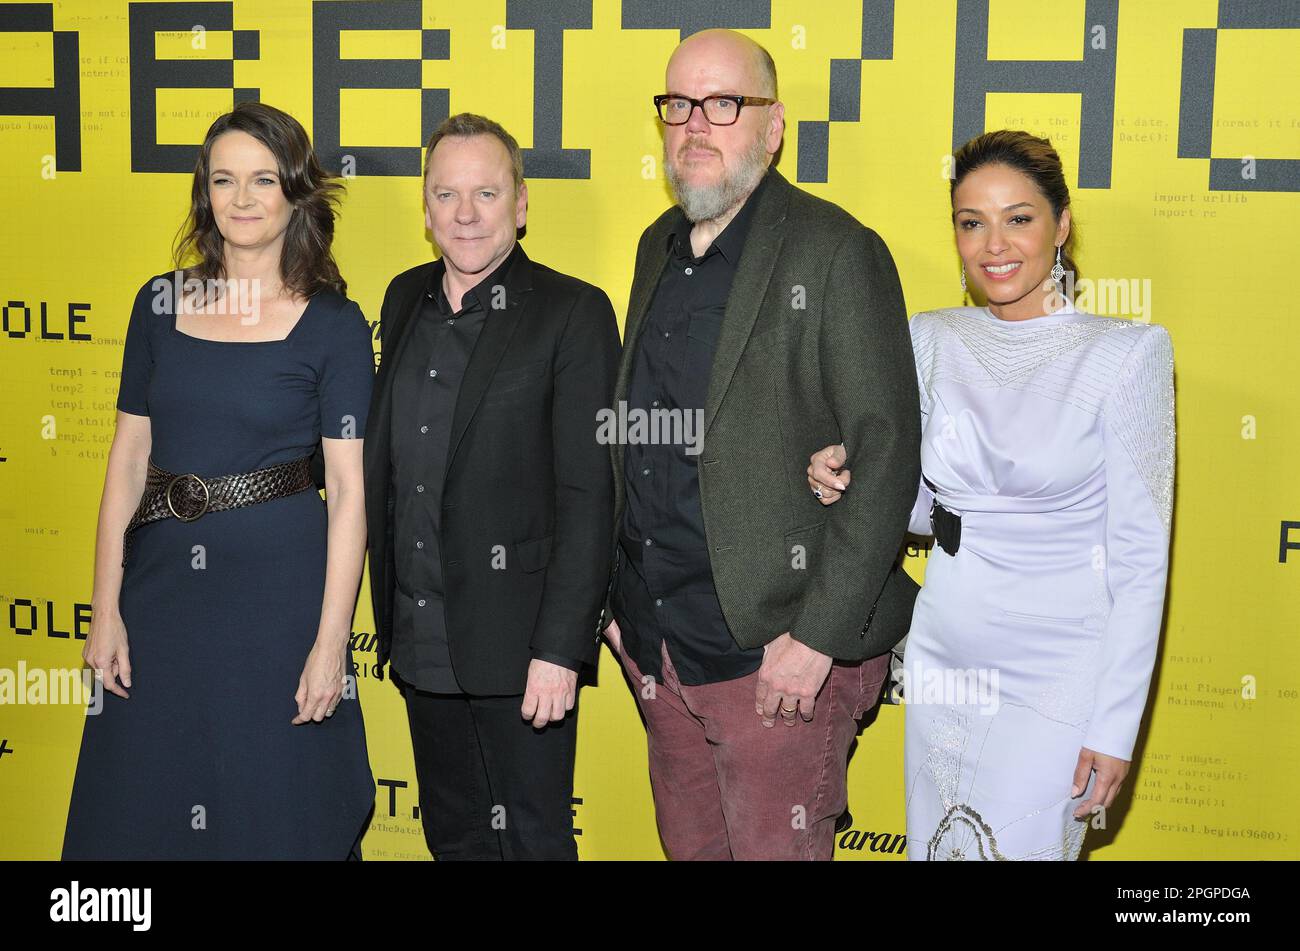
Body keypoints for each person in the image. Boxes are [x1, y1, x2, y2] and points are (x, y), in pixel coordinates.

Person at [808, 129, 1175, 860]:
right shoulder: (932, 337)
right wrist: (847, 476)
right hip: (949, 642)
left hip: (1062, 662)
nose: (993, 244)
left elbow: (1141, 561)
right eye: (971, 221)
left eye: (1019, 217)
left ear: (1062, 225)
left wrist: (1114, 724)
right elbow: (920, 508)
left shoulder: (1127, 354)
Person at [599, 29, 920, 860]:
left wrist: (814, 641)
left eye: (723, 104)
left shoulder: (836, 251)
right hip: (662, 647)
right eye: (677, 105)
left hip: (774, 659)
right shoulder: (656, 247)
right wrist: (620, 609)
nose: (695, 125)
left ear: (773, 128)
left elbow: (884, 455)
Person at [62, 102, 376, 859]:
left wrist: (331, 640)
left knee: (272, 796)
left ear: (295, 192)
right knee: (144, 794)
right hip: (163, 595)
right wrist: (105, 608)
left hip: (279, 604)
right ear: (205, 193)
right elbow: (127, 462)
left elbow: (349, 495)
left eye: (262, 179)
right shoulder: (158, 302)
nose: (241, 198)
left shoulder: (334, 324)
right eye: (223, 179)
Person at [363, 113, 619, 860]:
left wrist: (560, 649)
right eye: (446, 195)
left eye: (485, 193)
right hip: (421, 635)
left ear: (522, 203)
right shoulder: (404, 296)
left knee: (534, 841)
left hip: (523, 648)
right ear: (425, 207)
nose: (465, 214)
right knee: (456, 835)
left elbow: (588, 495)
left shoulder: (572, 312)